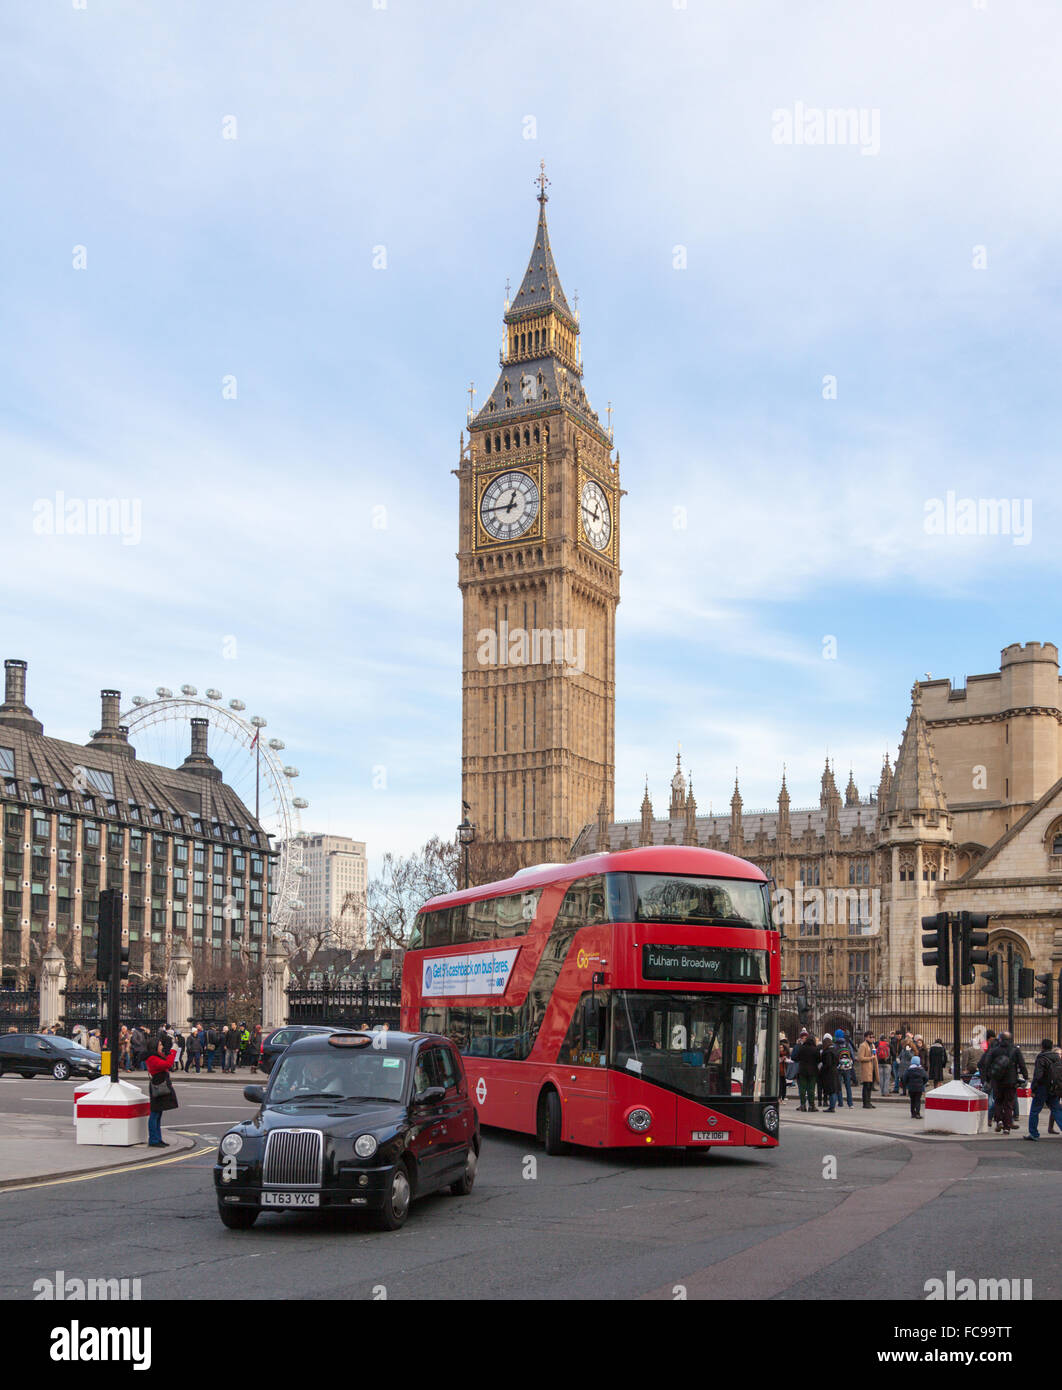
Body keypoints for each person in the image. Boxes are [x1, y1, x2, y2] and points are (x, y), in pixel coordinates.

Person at [986, 1031, 1028, 1134]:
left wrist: (988, 1079)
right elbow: (1022, 1065)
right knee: (1009, 1104)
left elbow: (987, 1064)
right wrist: (1026, 1077)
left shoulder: (994, 1050)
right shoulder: (1015, 1050)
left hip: (997, 1080)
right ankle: (1007, 1127)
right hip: (1011, 1080)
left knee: (998, 1101)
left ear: (1000, 1039)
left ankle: (999, 1121)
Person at [1024, 1038, 1062, 1141]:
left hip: (1042, 1087)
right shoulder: (1057, 1058)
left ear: (1042, 1046)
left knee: (1035, 1110)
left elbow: (1038, 1075)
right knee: (1056, 1110)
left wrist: (1033, 1088)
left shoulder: (1041, 1058)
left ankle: (1034, 1133)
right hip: (1054, 1087)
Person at [145, 1035, 179, 1147]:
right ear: (154, 1046)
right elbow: (168, 1064)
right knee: (155, 1113)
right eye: (160, 1044)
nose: (162, 1046)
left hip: (161, 1083)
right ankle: (153, 1139)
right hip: (158, 1085)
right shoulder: (152, 1058)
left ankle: (158, 1138)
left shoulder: (156, 1056)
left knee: (158, 1113)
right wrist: (173, 1051)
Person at [793, 1031, 821, 1112]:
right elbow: (819, 1060)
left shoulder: (801, 1048)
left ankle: (803, 1105)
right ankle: (811, 1105)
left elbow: (796, 1058)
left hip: (802, 1070)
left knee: (802, 1088)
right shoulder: (815, 1049)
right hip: (813, 1071)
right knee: (811, 1089)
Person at [978, 1030, 999, 1126]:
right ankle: (997, 1118)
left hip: (989, 1078)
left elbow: (981, 1063)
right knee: (997, 1098)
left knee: (990, 1099)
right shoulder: (1001, 1050)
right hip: (998, 1078)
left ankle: (989, 1117)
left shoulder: (989, 1050)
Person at [819, 1034, 841, 1113]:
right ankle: (832, 1106)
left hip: (829, 1073)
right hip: (835, 1071)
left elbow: (827, 1063)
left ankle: (831, 1107)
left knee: (831, 1091)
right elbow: (838, 1062)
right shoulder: (835, 1050)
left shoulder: (827, 1052)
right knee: (834, 1090)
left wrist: (822, 1069)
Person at [834, 1030, 856, 1108]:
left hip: (839, 1067)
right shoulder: (847, 1044)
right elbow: (852, 1056)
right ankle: (850, 1103)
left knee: (839, 1085)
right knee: (848, 1086)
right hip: (847, 1067)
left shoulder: (835, 1045)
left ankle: (840, 1103)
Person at [857, 1031, 877, 1108]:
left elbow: (874, 1055)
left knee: (870, 1087)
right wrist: (870, 1058)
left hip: (872, 1067)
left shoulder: (872, 1045)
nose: (872, 1038)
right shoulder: (863, 1045)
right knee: (866, 1086)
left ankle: (869, 1101)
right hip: (866, 1068)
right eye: (870, 1037)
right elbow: (860, 1058)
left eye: (873, 1037)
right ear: (866, 1037)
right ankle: (865, 1103)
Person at [905, 1052, 928, 1117]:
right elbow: (926, 1078)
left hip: (911, 1087)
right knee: (918, 1100)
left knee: (912, 1100)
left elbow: (905, 1078)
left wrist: (907, 1084)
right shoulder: (921, 1070)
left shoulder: (909, 1070)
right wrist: (922, 1083)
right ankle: (918, 1113)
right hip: (919, 1087)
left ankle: (912, 1113)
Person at [779, 1035, 790, 1102]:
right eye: (780, 1047)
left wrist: (785, 1059)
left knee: (784, 1084)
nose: (781, 1049)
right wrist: (781, 1059)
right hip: (779, 1071)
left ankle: (783, 1096)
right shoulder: (778, 1054)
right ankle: (780, 1096)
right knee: (780, 1084)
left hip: (783, 1071)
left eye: (781, 1047)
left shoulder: (785, 1053)